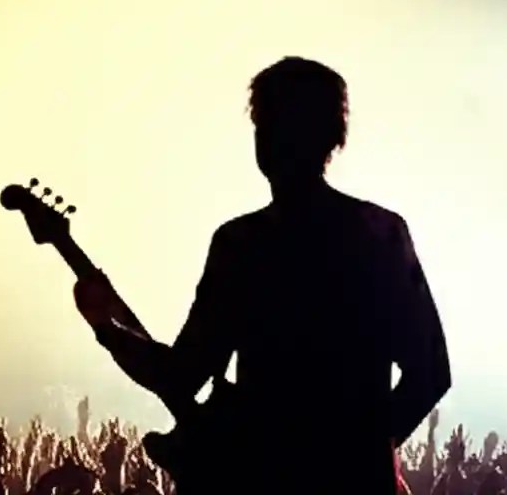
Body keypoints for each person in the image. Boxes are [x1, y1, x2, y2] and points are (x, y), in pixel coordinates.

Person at [74, 57, 452, 494]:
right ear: (334, 138)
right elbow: (430, 374)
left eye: (267, 124)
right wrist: (367, 451)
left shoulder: (243, 244)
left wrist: (106, 326)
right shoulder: (383, 234)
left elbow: (183, 375)